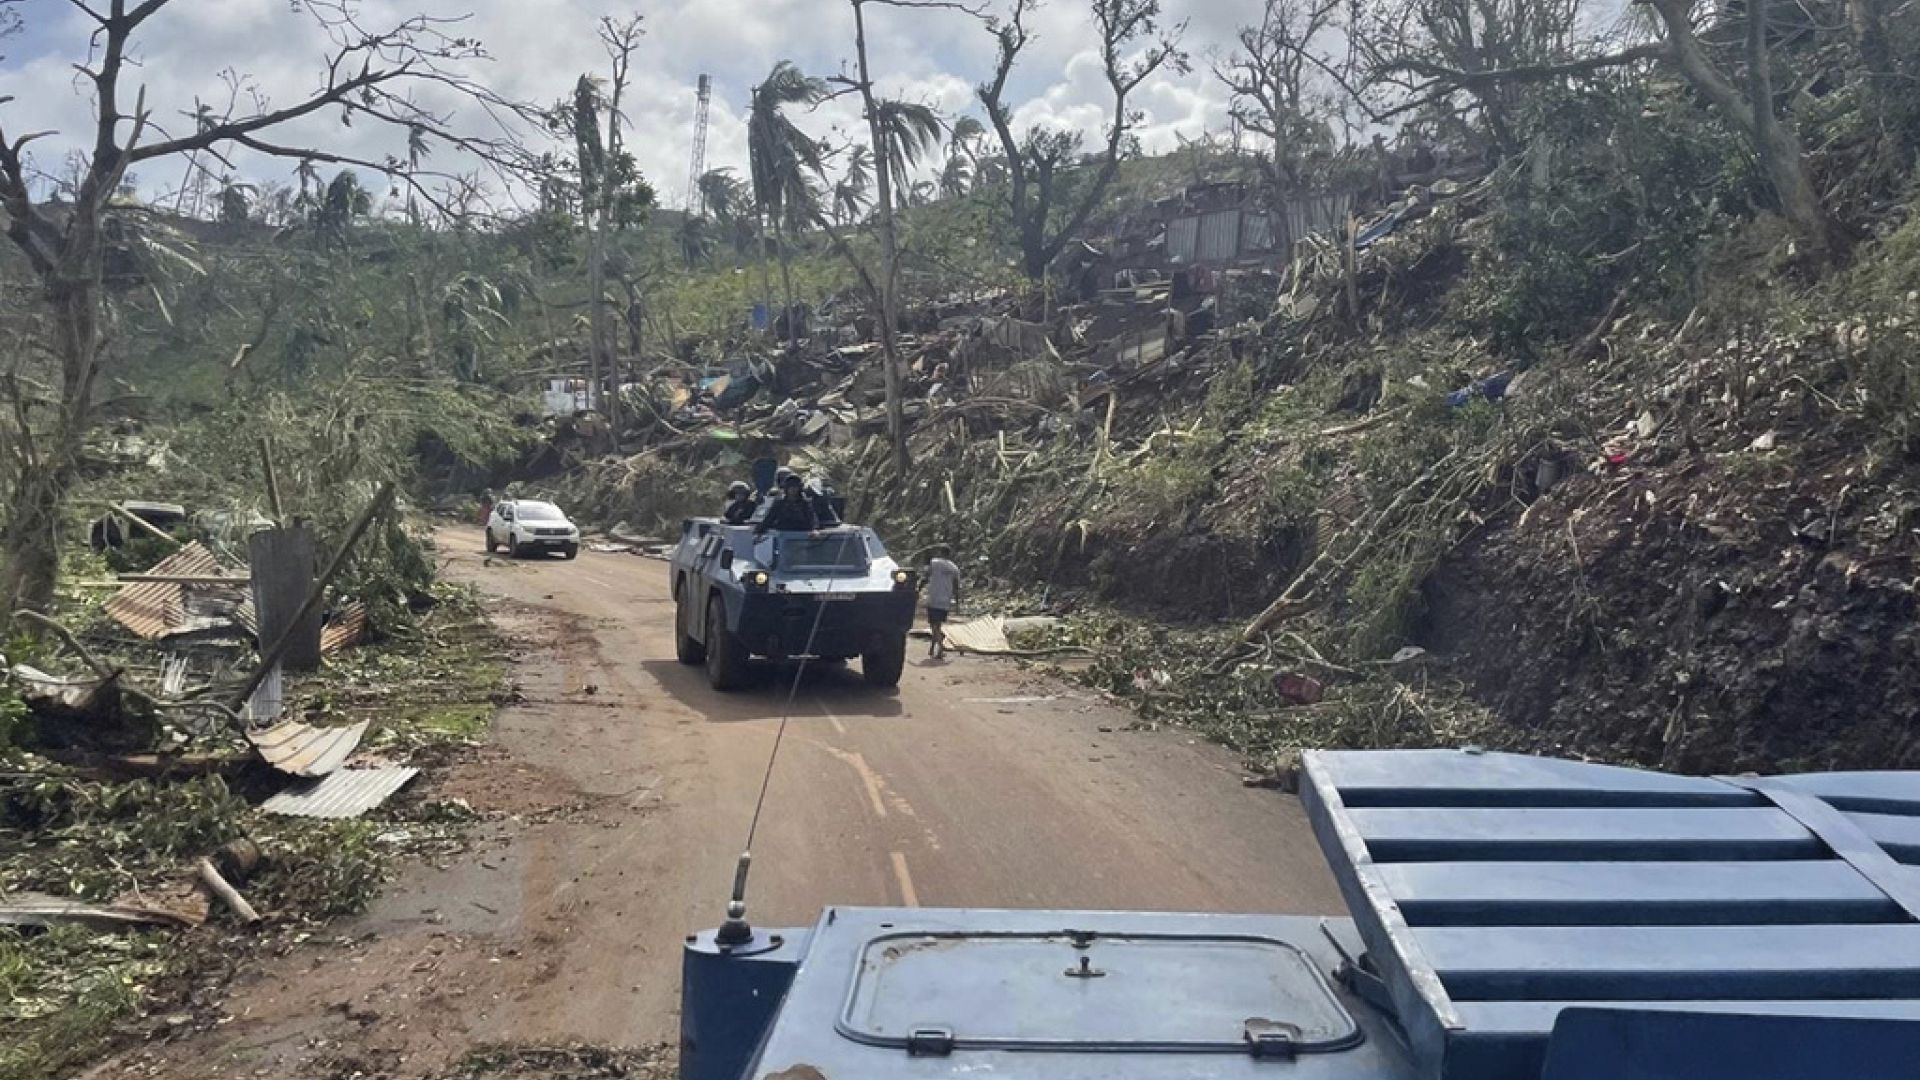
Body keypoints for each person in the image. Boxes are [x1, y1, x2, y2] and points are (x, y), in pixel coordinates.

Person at [923, 546, 961, 660]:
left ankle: (940, 647)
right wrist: (957, 603)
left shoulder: (934, 563)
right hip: (945, 600)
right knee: (937, 625)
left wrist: (919, 588)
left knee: (933, 625)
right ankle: (932, 648)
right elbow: (956, 586)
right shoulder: (954, 568)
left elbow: (926, 576)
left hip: (934, 598)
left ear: (940, 552)